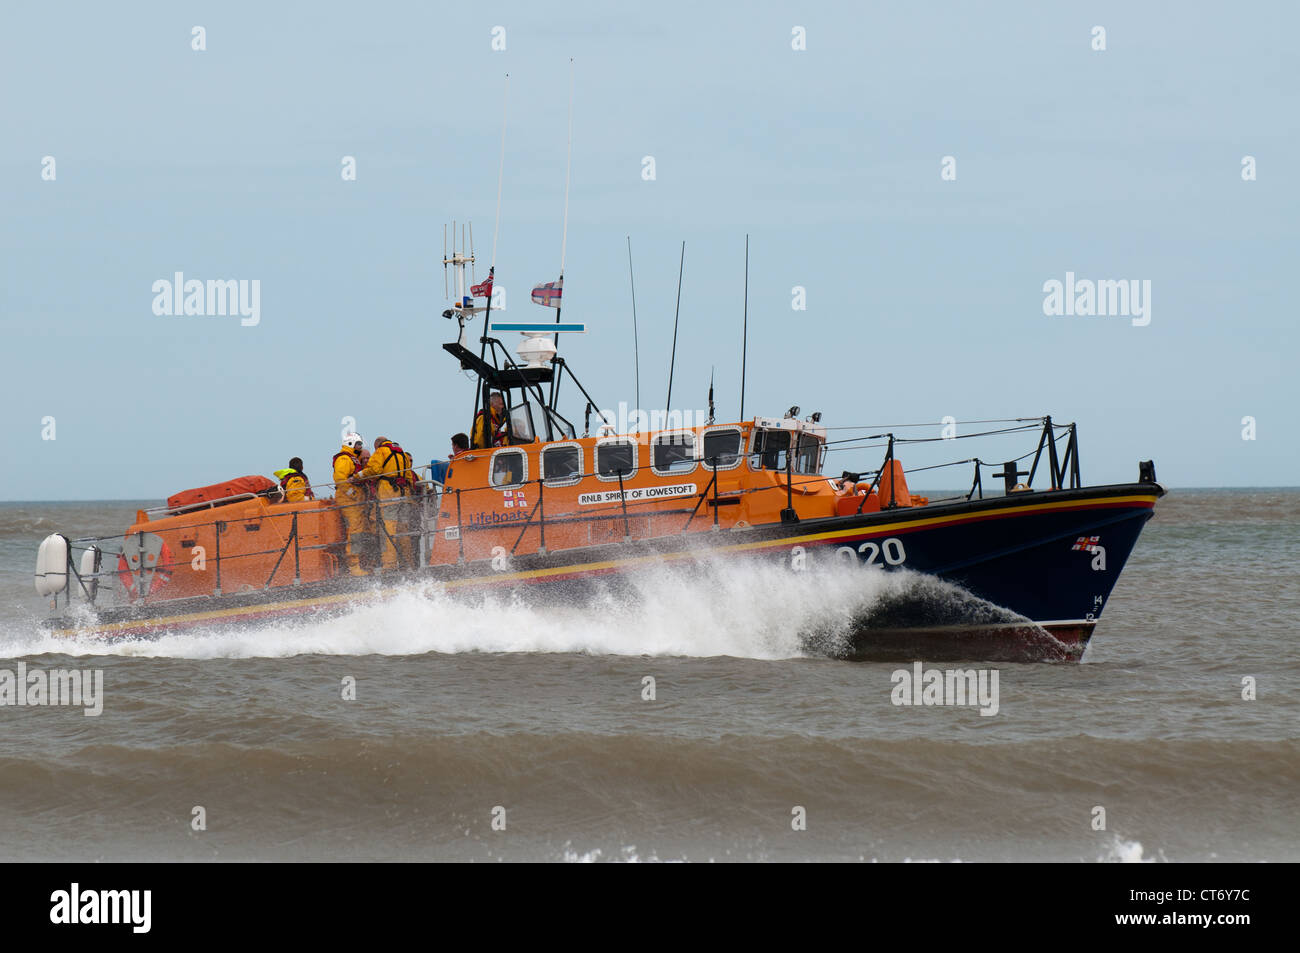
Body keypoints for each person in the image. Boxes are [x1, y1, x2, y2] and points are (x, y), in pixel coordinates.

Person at [360, 435, 419, 570]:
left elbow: (375, 470)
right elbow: (409, 476)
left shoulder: (381, 452)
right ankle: (407, 564)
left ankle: (390, 566)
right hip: (404, 496)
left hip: (388, 496)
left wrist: (359, 476)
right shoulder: (402, 454)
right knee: (404, 532)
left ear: (378, 446)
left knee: (388, 531)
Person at [333, 432, 372, 576]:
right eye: (358, 444)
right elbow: (339, 478)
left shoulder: (352, 459)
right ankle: (353, 565)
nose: (360, 447)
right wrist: (352, 493)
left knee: (360, 531)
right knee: (354, 532)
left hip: (356, 502)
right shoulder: (344, 459)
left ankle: (360, 562)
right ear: (351, 444)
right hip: (349, 500)